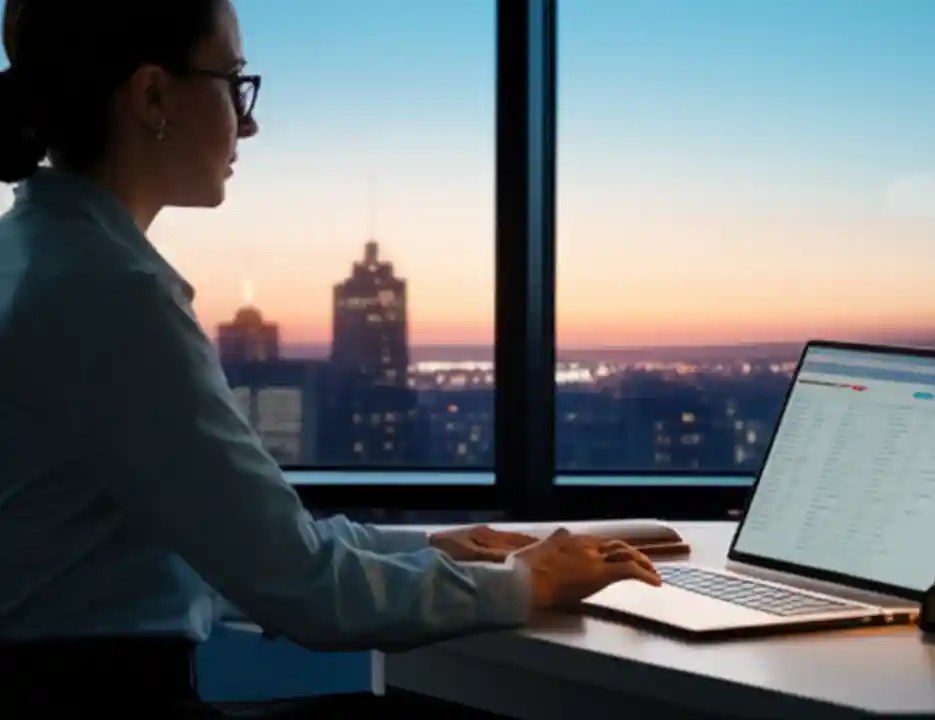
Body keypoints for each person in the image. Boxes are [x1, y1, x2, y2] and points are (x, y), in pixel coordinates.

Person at [0, 0, 661, 715]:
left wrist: (439, 545)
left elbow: (243, 547)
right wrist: (525, 584)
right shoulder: (114, 295)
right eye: (234, 82)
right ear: (153, 94)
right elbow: (307, 590)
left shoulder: (37, 256)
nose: (248, 121)